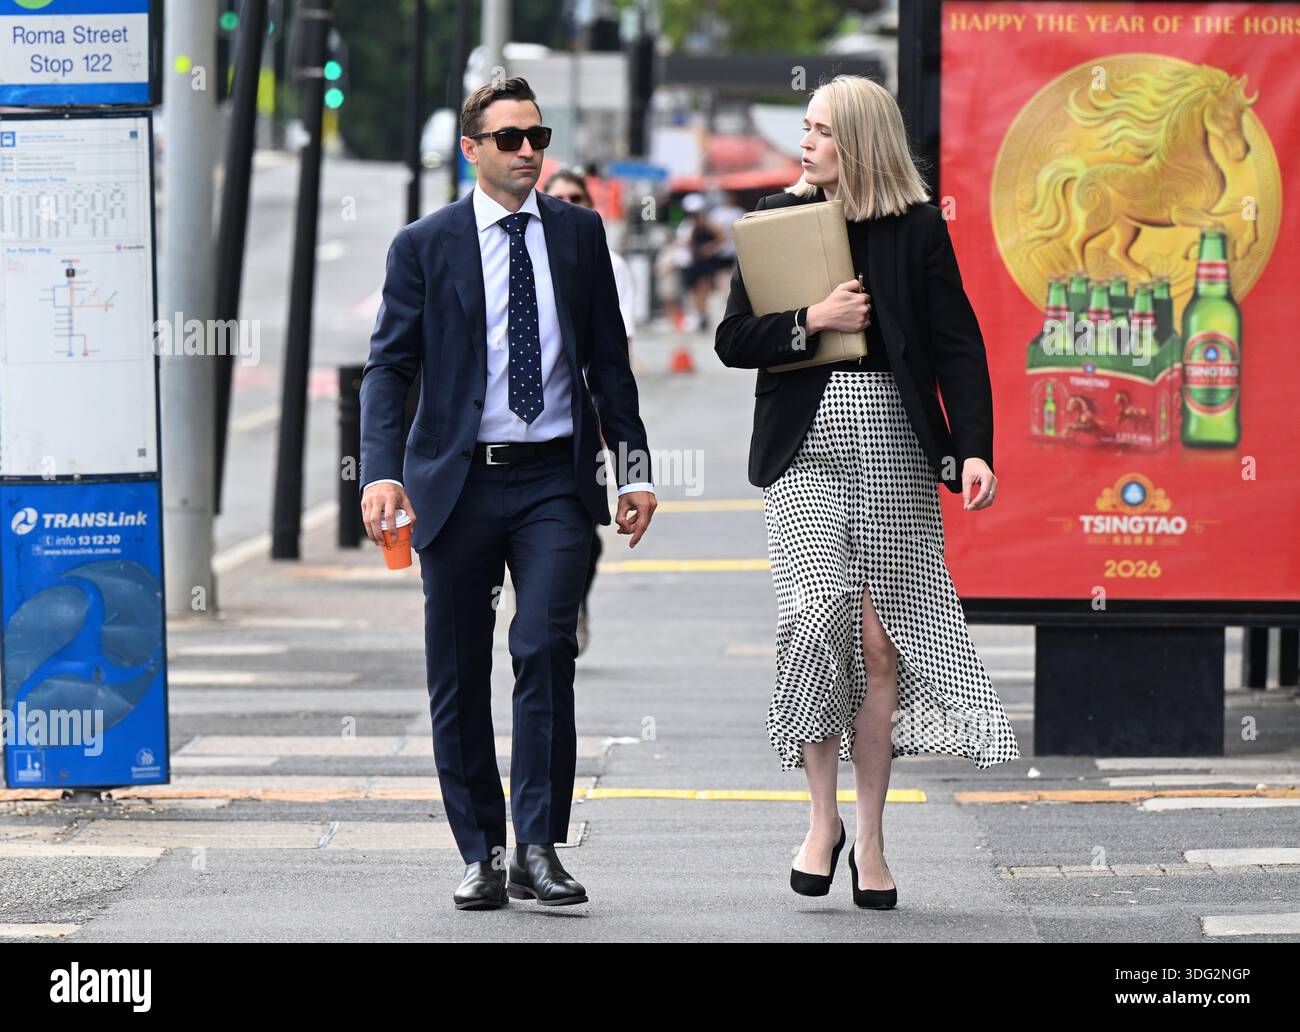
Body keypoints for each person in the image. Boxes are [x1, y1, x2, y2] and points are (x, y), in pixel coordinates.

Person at [713, 74, 1020, 911]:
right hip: (803, 447)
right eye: (805, 129)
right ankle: (821, 821)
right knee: (814, 617)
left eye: (821, 131)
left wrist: (974, 451)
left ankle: (872, 836)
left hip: (894, 445)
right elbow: (732, 339)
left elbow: (959, 343)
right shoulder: (775, 218)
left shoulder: (916, 228)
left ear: (861, 143)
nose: (805, 142)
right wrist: (809, 318)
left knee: (881, 647)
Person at [359, 77, 657, 911]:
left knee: (542, 647)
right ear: (472, 150)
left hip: (552, 485)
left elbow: (608, 363)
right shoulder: (425, 244)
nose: (529, 151)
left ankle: (537, 845)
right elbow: (389, 368)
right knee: (457, 671)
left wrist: (631, 467)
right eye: (511, 139)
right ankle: (479, 850)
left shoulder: (578, 233)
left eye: (538, 135)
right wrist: (381, 471)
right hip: (455, 485)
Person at [542, 168, 636, 655]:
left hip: (582, 428)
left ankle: (568, 602)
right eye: (561, 197)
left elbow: (616, 357)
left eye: (578, 197)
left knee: (584, 536)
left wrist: (630, 466)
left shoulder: (603, 256)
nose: (570, 204)